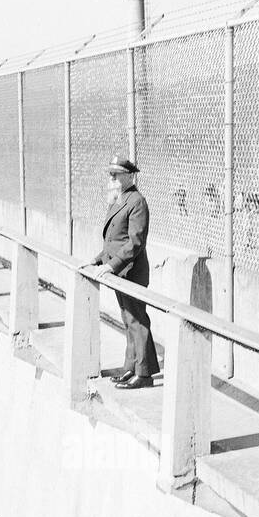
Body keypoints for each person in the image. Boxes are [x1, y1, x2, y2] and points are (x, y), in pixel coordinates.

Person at [87, 156, 159, 389]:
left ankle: (145, 374)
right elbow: (113, 240)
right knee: (128, 321)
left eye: (116, 175)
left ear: (130, 176)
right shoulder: (119, 200)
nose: (113, 179)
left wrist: (111, 265)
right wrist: (98, 260)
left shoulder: (137, 201)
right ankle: (131, 368)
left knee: (137, 321)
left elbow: (135, 243)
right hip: (120, 271)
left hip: (131, 272)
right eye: (111, 174)